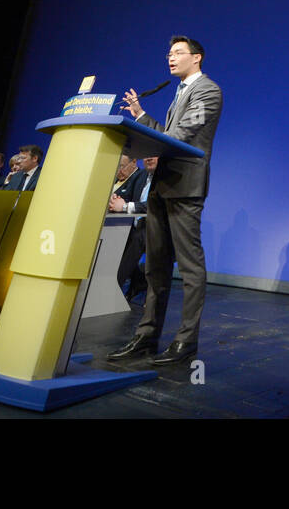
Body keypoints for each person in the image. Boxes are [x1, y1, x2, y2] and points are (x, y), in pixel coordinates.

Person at [109, 36, 222, 365]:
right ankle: (146, 336)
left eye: (177, 53)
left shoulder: (207, 90)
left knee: (189, 268)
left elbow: (182, 136)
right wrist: (141, 116)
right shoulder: (180, 93)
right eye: (168, 53)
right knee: (155, 267)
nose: (170, 58)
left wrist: (148, 137)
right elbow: (168, 134)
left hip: (184, 188)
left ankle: (186, 342)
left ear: (196, 57)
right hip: (161, 188)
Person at [108, 153, 159, 306]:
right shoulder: (141, 175)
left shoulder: (167, 177)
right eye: (147, 155)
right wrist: (115, 200)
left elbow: (155, 203)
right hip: (136, 229)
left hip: (158, 230)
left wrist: (124, 206)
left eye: (154, 155)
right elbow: (125, 194)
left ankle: (113, 286)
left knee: (139, 236)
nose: (149, 158)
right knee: (116, 237)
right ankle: (136, 282)